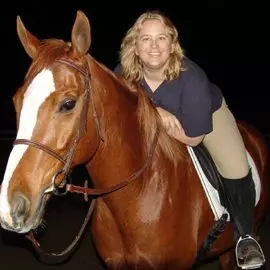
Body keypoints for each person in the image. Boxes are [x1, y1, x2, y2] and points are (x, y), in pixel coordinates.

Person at [113, 10, 266, 269]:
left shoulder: (192, 78)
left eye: (161, 38)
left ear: (173, 45)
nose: (154, 47)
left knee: (236, 166)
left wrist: (156, 117)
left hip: (206, 117)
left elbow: (193, 139)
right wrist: (156, 113)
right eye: (146, 39)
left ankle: (246, 237)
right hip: (158, 118)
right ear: (134, 47)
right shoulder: (122, 74)